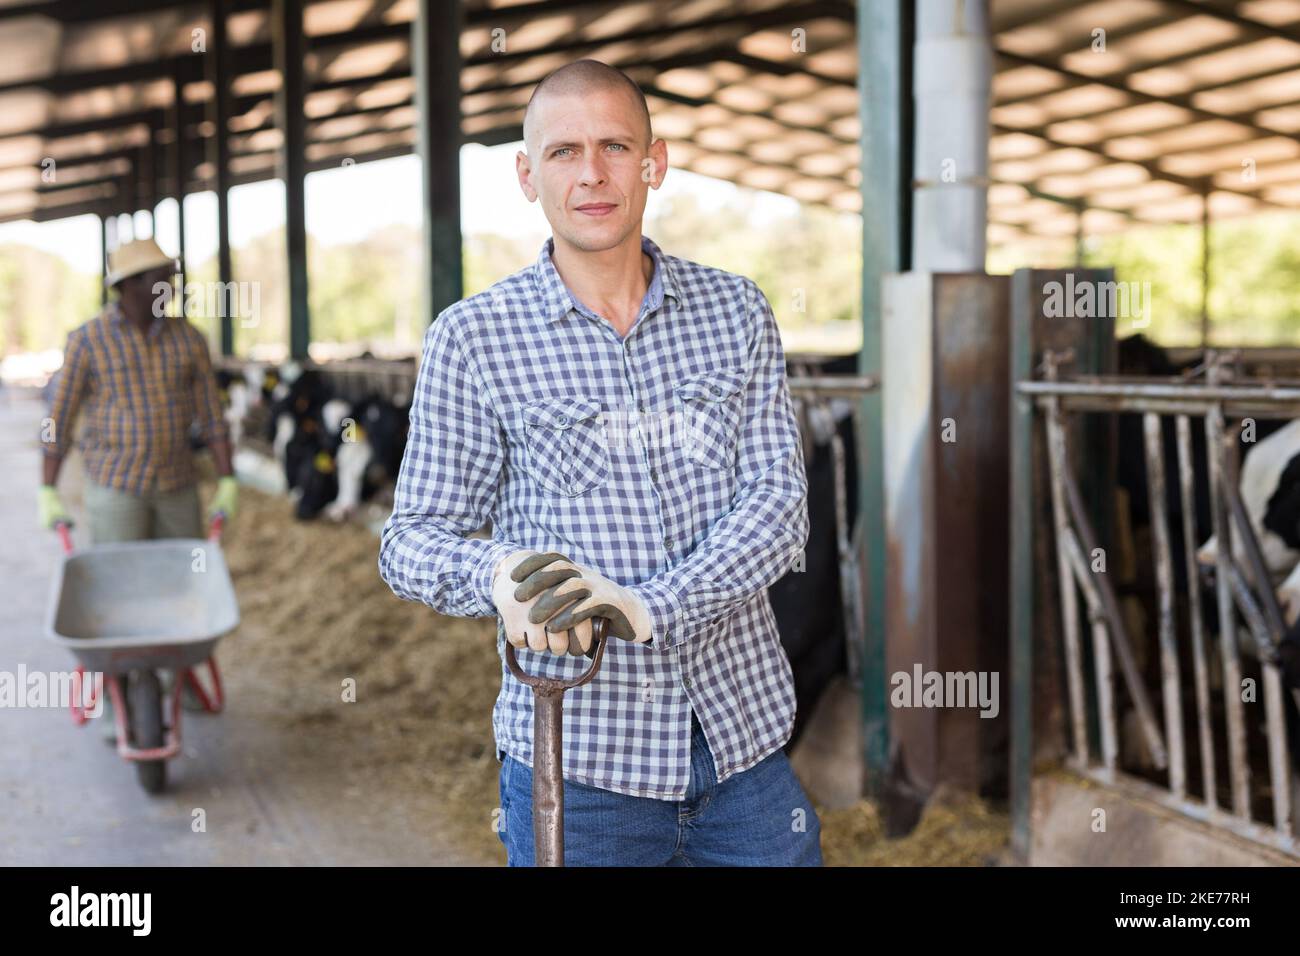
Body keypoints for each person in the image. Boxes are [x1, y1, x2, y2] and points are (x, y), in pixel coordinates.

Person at [379, 59, 820, 866]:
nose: (592, 174)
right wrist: (498, 574)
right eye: (563, 152)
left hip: (744, 754)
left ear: (654, 163)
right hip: (580, 769)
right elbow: (409, 540)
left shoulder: (736, 312)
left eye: (615, 147)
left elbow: (778, 504)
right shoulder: (474, 339)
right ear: (526, 174)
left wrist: (651, 606)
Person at [39, 237, 239, 732]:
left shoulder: (188, 339)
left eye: (170, 276)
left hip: (177, 485)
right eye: (158, 278)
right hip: (115, 488)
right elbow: (58, 421)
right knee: (119, 597)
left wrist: (229, 479)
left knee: (182, 591)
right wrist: (47, 489)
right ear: (128, 286)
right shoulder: (87, 340)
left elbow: (212, 418)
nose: (169, 286)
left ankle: (184, 677)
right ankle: (118, 700)